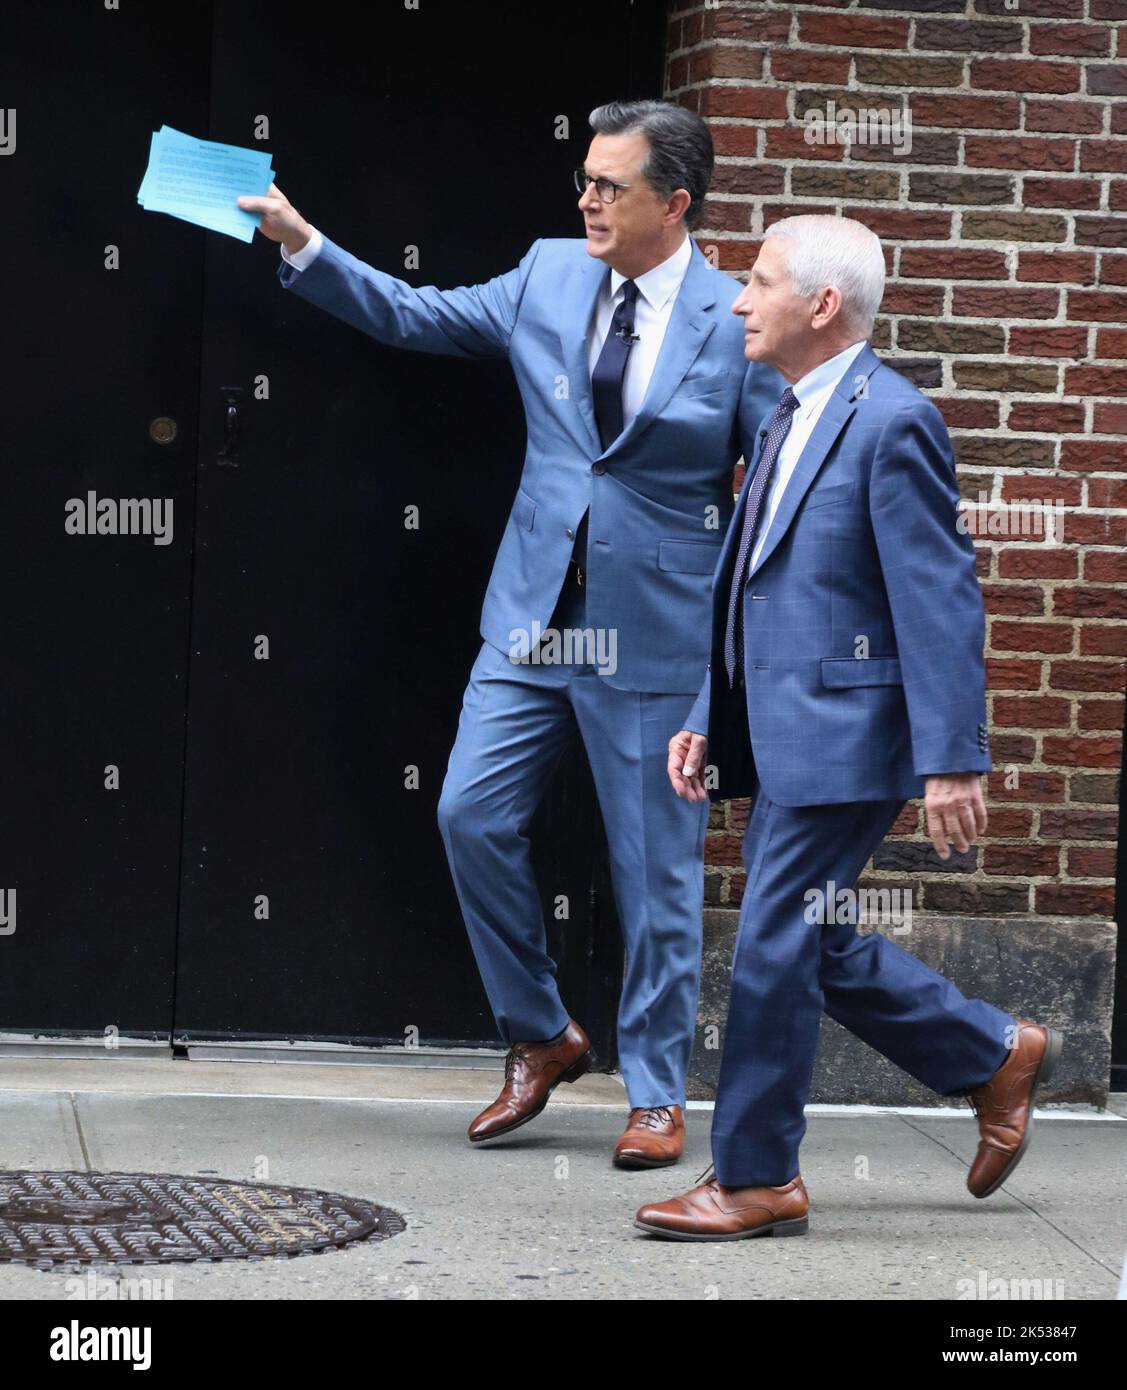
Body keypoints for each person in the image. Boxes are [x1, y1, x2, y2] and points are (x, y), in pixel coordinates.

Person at [238, 100, 782, 1168]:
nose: (584, 198)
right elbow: (415, 316)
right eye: (582, 178)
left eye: (607, 185)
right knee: (468, 814)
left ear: (673, 203)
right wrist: (303, 242)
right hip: (534, 619)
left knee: (653, 872)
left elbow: (769, 492)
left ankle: (659, 1092)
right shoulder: (546, 273)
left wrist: (739, 652)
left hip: (652, 639)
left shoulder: (734, 317)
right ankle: (540, 1032)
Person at [637, 213, 1063, 1238]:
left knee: (774, 942)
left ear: (821, 305)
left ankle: (754, 1178)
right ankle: (992, 1054)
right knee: (810, 937)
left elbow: (936, 598)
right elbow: (749, 586)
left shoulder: (891, 420)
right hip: (777, 728)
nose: (738, 300)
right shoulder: (781, 412)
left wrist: (951, 760)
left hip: (847, 735)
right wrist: (710, 711)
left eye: (758, 281)